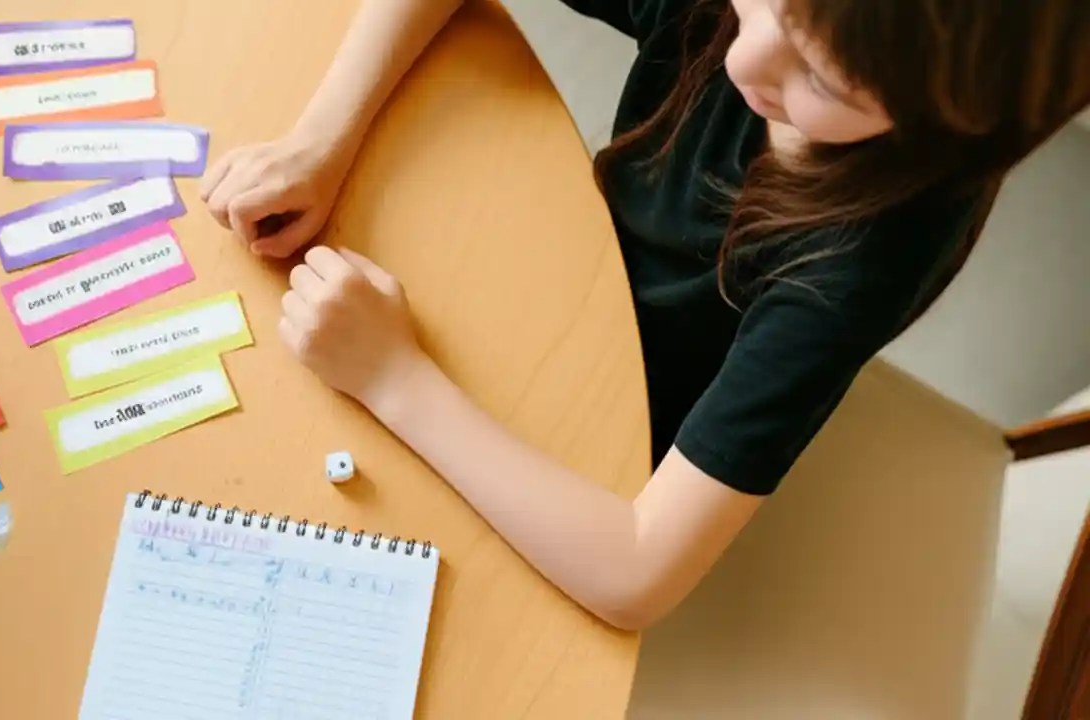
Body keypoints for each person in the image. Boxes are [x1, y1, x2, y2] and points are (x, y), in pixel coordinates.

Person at [199, 0, 1090, 630]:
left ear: (952, 124)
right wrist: (322, 138)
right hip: (551, 294)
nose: (746, 58)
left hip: (611, 435)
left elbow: (636, 571)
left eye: (822, 74)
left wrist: (394, 377)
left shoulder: (866, 254)